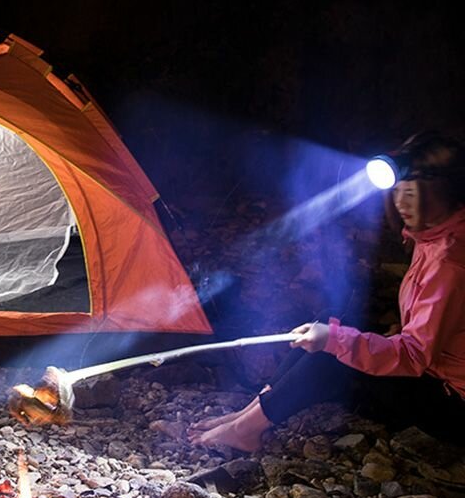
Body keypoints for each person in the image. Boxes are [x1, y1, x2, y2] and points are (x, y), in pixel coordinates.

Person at [190, 131, 465, 452]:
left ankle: (246, 430)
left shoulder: (451, 262)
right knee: (332, 323)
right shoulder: (436, 236)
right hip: (437, 379)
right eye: (398, 190)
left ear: (441, 191)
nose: (400, 202)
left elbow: (414, 356)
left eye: (412, 192)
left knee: (332, 353)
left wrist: (335, 341)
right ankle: (250, 414)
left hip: (454, 405)